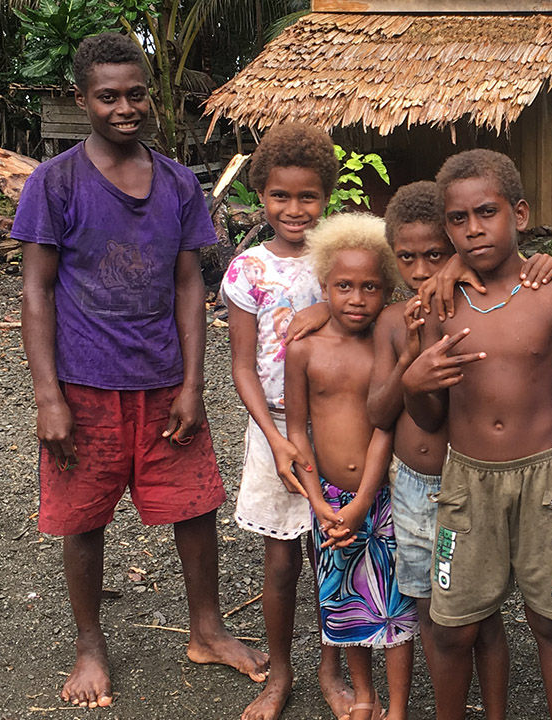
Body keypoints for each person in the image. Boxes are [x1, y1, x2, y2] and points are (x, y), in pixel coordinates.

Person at [15, 32, 267, 710]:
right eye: (107, 96)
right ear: (81, 100)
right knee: (84, 517)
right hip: (84, 385)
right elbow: (36, 290)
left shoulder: (179, 182)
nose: (124, 107)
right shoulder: (56, 182)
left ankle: (207, 628)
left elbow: (190, 285)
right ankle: (90, 642)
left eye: (135, 94)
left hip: (162, 383)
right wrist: (48, 397)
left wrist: (191, 383)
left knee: (195, 505)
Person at [402, 149, 552, 720]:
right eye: (458, 219)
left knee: (551, 624)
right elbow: (430, 418)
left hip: (547, 479)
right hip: (467, 481)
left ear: (520, 213)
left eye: (487, 212)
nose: (473, 229)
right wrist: (413, 381)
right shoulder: (440, 302)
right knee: (454, 627)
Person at [220, 123, 354, 720]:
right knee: (280, 561)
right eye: (280, 196)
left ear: (327, 196)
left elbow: (378, 300)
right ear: (261, 196)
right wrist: (273, 438)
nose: (294, 209)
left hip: (338, 423)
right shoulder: (247, 270)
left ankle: (333, 668)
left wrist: (328, 302)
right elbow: (243, 368)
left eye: (307, 197)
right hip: (273, 429)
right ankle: (278, 674)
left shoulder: (341, 258)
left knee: (336, 550)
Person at [365, 181, 512, 720]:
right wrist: (408, 359)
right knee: (431, 611)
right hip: (414, 486)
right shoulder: (390, 321)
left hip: (469, 482)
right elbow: (378, 413)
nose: (422, 269)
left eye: (435, 255)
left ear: (454, 250)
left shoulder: (471, 314)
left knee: (485, 616)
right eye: (407, 257)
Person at [285, 213, 417, 720]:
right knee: (344, 602)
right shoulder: (305, 350)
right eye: (343, 287)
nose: (356, 298)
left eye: (370, 287)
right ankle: (365, 696)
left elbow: (385, 426)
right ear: (324, 286)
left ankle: (399, 706)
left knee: (396, 603)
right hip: (331, 501)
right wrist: (319, 502)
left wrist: (364, 498)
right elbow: (299, 432)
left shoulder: (383, 347)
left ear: (386, 290)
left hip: (381, 498)